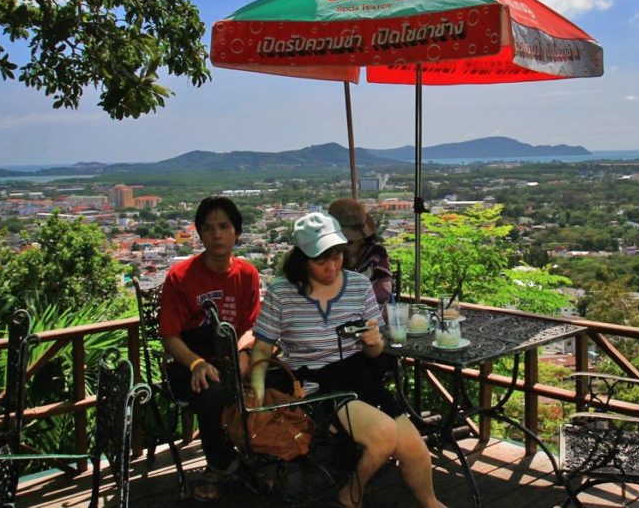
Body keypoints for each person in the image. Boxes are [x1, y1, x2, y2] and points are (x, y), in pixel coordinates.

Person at [249, 211, 445, 508]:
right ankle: (351, 495)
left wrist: (374, 342)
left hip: (357, 372)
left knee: (412, 446)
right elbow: (262, 348)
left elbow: (374, 352)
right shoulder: (281, 292)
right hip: (314, 381)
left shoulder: (358, 286)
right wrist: (258, 388)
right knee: (382, 436)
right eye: (321, 260)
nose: (332, 266)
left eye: (337, 256)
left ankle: (429, 502)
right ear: (301, 258)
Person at [159, 196, 260, 503]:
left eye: (224, 226)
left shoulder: (247, 274)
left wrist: (243, 355)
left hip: (231, 355)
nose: (217, 234)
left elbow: (251, 328)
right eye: (209, 227)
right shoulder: (180, 278)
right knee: (212, 389)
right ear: (200, 234)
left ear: (237, 233)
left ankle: (266, 449)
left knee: (277, 381)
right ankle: (223, 463)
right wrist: (195, 363)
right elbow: (169, 336)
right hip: (188, 361)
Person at [328, 198, 392, 316]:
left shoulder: (376, 253)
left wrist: (352, 301)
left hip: (373, 318)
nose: (359, 242)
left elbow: (384, 291)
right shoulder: (326, 259)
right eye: (351, 241)